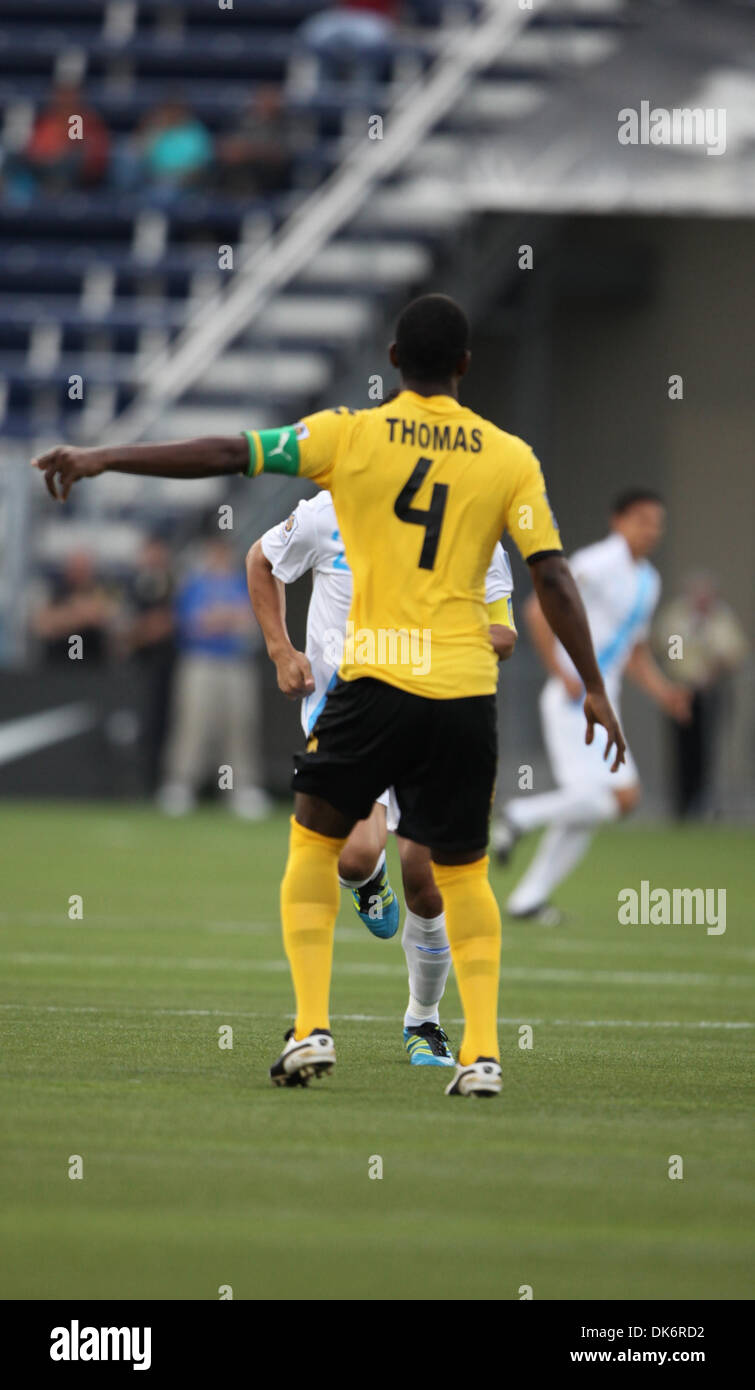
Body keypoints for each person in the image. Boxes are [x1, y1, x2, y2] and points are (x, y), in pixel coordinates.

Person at [31, 293, 626, 1102]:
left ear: (390, 359)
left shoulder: (350, 434)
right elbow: (551, 573)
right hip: (459, 694)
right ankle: (481, 1055)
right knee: (463, 872)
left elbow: (226, 451)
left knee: (314, 847)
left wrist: (106, 456)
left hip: (374, 679)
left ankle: (313, 1029)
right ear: (464, 365)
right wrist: (593, 685)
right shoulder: (508, 456)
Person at [247, 487, 517, 1067]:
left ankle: (424, 1021)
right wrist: (280, 650)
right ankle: (367, 886)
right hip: (348, 718)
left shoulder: (470, 517)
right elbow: (263, 559)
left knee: (426, 873)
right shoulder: (331, 510)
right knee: (351, 856)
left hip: (433, 714)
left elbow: (503, 632)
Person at [493, 490, 691, 923]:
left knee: (607, 803)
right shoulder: (598, 562)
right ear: (617, 520)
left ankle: (527, 894)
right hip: (572, 702)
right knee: (616, 798)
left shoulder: (648, 582)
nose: (650, 530)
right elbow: (537, 609)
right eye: (641, 520)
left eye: (657, 522)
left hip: (604, 701)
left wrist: (664, 694)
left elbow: (635, 653)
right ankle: (519, 815)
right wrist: (559, 671)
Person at [158, 535, 270, 820]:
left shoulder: (242, 582)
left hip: (235, 662)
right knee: (194, 722)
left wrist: (220, 619)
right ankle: (181, 784)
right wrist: (226, 619)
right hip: (201, 661)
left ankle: (241, 788)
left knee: (240, 723)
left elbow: (250, 625)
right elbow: (194, 625)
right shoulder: (195, 584)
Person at [653, 572, 749, 818]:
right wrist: (688, 670)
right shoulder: (677, 618)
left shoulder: (722, 618)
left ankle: (706, 802)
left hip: (713, 693)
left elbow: (734, 652)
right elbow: (671, 653)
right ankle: (682, 804)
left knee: (710, 748)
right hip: (683, 691)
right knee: (683, 748)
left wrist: (715, 659)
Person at [123, 536, 177, 795]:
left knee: (168, 727)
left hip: (171, 668)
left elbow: (176, 622)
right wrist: (147, 630)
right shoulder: (133, 586)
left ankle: (162, 784)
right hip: (140, 670)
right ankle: (140, 785)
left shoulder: (174, 584)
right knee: (142, 726)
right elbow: (124, 633)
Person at [31, 549, 115, 665]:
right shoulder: (52, 591)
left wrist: (64, 618)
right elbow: (41, 626)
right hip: (56, 666)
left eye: (83, 568)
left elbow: (109, 620)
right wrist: (77, 614)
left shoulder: (102, 590)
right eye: (75, 568)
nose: (79, 573)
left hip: (93, 667)